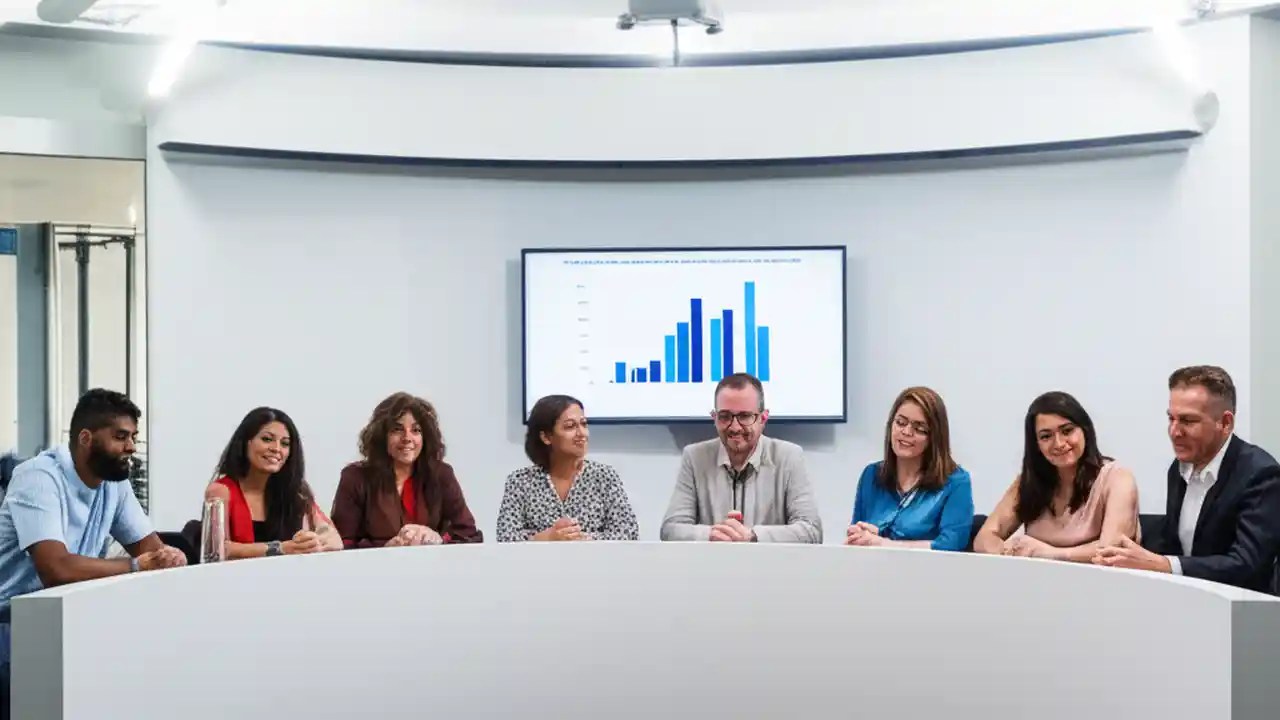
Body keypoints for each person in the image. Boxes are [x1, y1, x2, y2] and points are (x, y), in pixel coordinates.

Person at [0, 390, 186, 711]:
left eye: (133, 437)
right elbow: (56, 570)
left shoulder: (114, 482)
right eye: (120, 437)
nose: (130, 447)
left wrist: (169, 557)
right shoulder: (38, 477)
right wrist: (139, 566)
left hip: (67, 615)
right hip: (10, 621)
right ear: (86, 438)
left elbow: (151, 550)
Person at [1095, 366, 1280, 592]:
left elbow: (1246, 564)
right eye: (1171, 418)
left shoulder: (1260, 474)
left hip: (1242, 615)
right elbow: (1173, 544)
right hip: (1188, 602)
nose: (1174, 431)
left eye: (1188, 421)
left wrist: (1164, 564)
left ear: (1225, 423)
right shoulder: (1179, 468)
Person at [973, 391, 1139, 561]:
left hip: (1098, 584)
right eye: (1046, 436)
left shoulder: (1117, 478)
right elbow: (984, 537)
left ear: (1085, 430)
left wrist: (1049, 554)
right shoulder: (1029, 481)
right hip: (1037, 584)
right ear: (1036, 444)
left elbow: (1113, 551)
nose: (1058, 443)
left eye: (1067, 431)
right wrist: (1005, 552)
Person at [661, 373, 822, 543]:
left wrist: (753, 536)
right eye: (725, 417)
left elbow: (811, 531)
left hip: (772, 567)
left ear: (763, 418)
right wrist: (712, 534)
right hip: (712, 566)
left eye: (745, 416)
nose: (735, 427)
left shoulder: (789, 457)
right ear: (714, 418)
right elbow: (671, 529)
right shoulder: (694, 457)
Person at [332, 392, 482, 547]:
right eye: (397, 429)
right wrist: (384, 550)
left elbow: (469, 534)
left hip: (433, 568)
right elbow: (342, 544)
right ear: (382, 435)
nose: (407, 438)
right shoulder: (356, 478)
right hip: (375, 570)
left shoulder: (441, 475)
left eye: (416, 430)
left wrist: (438, 539)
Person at [846, 387, 974, 551]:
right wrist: (860, 537)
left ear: (934, 437)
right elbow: (857, 534)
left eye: (919, 428)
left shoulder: (956, 482)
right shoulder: (871, 474)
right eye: (900, 422)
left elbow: (951, 545)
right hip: (876, 571)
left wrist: (885, 544)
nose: (906, 432)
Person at [203, 407, 341, 559]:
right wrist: (280, 548)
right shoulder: (221, 491)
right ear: (246, 443)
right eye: (267, 439)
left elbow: (333, 538)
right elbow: (217, 549)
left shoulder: (296, 491)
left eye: (285, 444)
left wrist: (313, 542)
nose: (276, 449)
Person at [496, 395, 638, 542]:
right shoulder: (520, 482)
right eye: (570, 426)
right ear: (546, 437)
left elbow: (629, 533)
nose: (582, 434)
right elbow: (505, 537)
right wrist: (544, 538)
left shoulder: (604, 476)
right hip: (538, 564)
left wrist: (583, 539)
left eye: (584, 424)